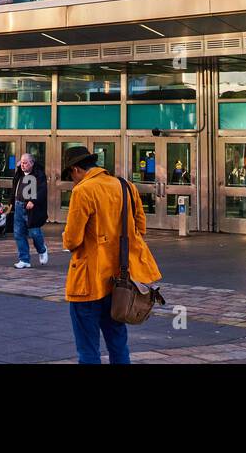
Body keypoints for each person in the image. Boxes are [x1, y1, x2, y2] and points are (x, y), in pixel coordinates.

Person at [61, 145, 161, 365]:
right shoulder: (125, 186)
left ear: (76, 169)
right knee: (118, 343)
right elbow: (140, 228)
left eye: (71, 175)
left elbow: (72, 240)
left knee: (88, 349)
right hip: (120, 279)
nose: (73, 180)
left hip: (88, 280)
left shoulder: (83, 190)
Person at [11, 153, 49, 269]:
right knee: (19, 233)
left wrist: (33, 201)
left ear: (32, 163)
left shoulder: (38, 175)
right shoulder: (19, 174)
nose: (23, 165)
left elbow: (42, 191)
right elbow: (15, 189)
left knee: (34, 233)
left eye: (25, 163)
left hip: (32, 209)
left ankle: (42, 249)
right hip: (18, 205)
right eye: (21, 162)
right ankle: (24, 260)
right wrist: (11, 203)